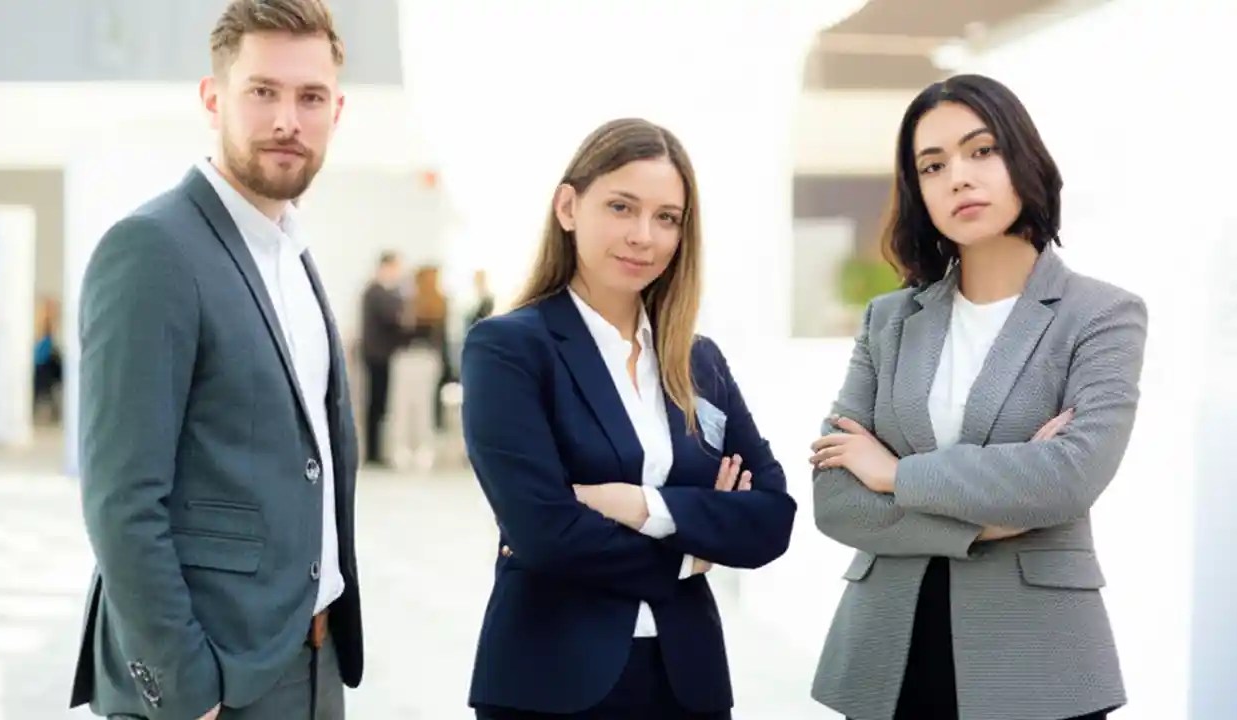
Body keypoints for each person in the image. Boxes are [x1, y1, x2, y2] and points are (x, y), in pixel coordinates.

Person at [808, 73, 1147, 720]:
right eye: (932, 165)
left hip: (1039, 658)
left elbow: (1067, 478)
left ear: (1023, 157)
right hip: (888, 655)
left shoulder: (1102, 315)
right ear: (919, 193)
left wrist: (895, 473)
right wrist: (994, 517)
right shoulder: (888, 320)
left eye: (981, 150)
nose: (958, 176)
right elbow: (837, 498)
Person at [69, 1, 363, 718]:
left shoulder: (291, 253)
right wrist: (183, 687)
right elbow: (121, 499)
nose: (287, 119)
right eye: (263, 92)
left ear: (336, 109)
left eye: (310, 97)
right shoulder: (154, 250)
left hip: (313, 665)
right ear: (214, 98)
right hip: (214, 684)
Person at [460, 118, 797, 719]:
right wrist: (695, 547)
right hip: (552, 683)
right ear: (568, 206)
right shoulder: (509, 349)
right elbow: (543, 533)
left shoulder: (698, 361)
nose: (644, 235)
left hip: (685, 681)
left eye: (667, 217)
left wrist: (647, 508)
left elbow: (771, 517)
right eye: (622, 207)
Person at [388, 264, 447, 471]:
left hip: (413, 358)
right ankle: (418, 451)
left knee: (407, 407)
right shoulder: (425, 302)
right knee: (419, 407)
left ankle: (406, 451)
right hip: (423, 359)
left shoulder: (420, 304)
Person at [360, 251, 407, 466]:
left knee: (379, 405)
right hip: (376, 355)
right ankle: (373, 453)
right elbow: (392, 319)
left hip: (380, 355)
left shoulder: (376, 292)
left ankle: (376, 451)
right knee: (376, 404)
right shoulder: (376, 292)